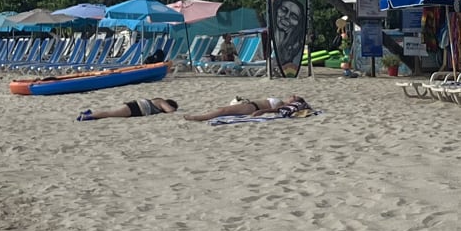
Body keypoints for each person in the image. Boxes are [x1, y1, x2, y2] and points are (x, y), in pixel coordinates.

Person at [182, 95, 312, 121]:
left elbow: (275, 110)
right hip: (250, 104)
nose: (292, 95)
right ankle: (202, 116)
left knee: (222, 111)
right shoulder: (282, 101)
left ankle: (197, 117)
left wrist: (261, 111)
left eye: (295, 97)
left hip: (252, 107)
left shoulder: (282, 105)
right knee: (223, 110)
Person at [76, 98, 179, 120]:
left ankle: (90, 113)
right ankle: (87, 116)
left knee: (111, 112)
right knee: (110, 113)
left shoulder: (157, 102)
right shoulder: (161, 101)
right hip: (135, 108)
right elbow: (170, 110)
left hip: (135, 107)